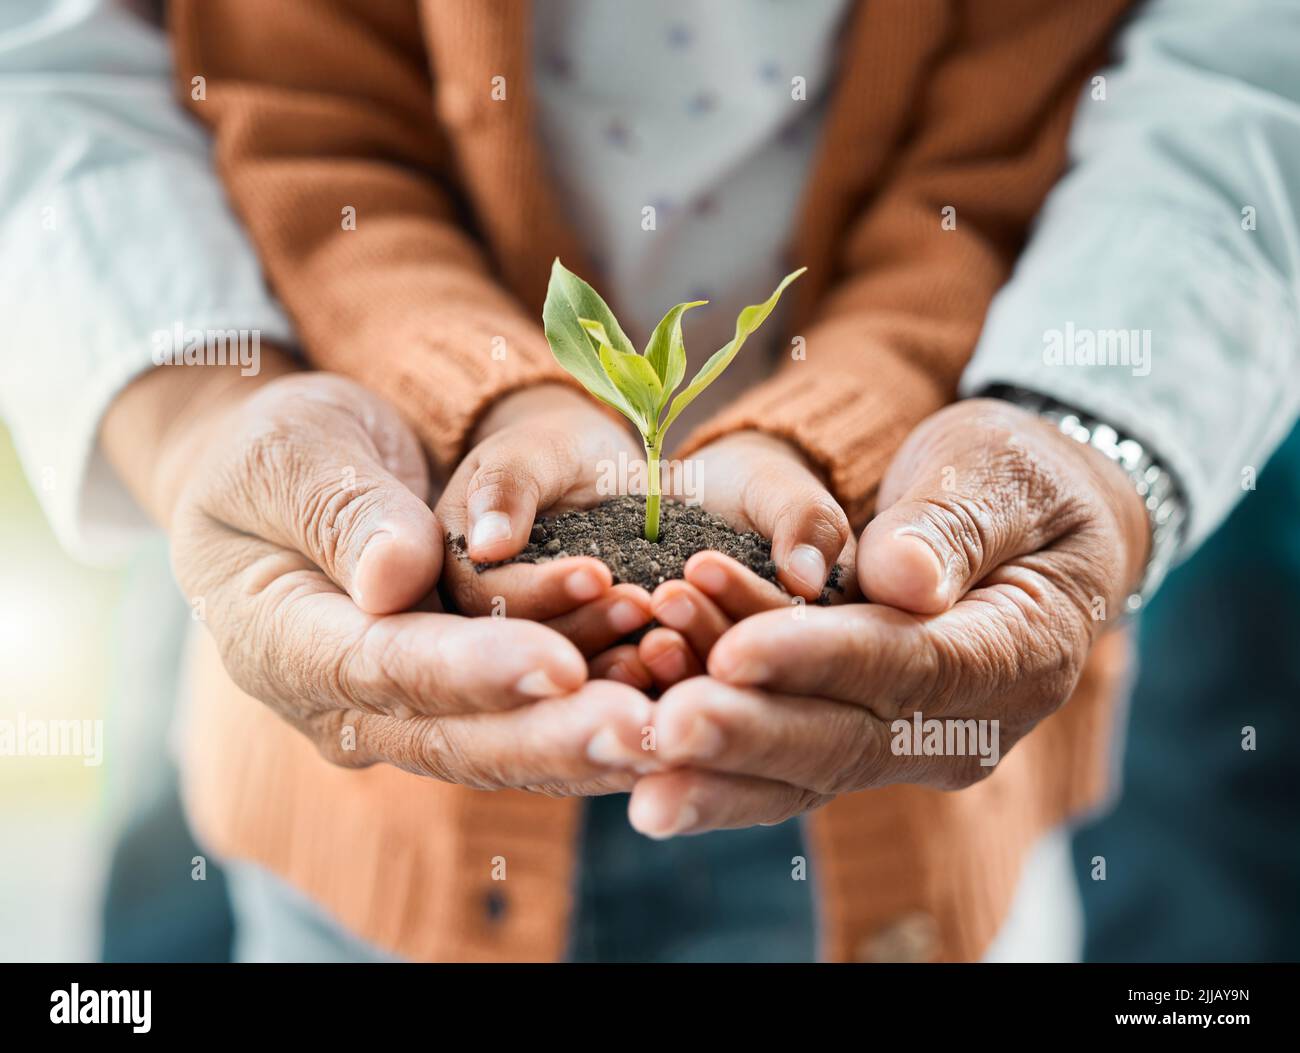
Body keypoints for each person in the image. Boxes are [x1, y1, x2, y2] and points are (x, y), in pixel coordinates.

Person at [3, 0, 1297, 963]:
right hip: (370, 820)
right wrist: (466, 399)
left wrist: (849, 438)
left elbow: (1016, 166)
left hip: (899, 803)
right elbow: (308, 136)